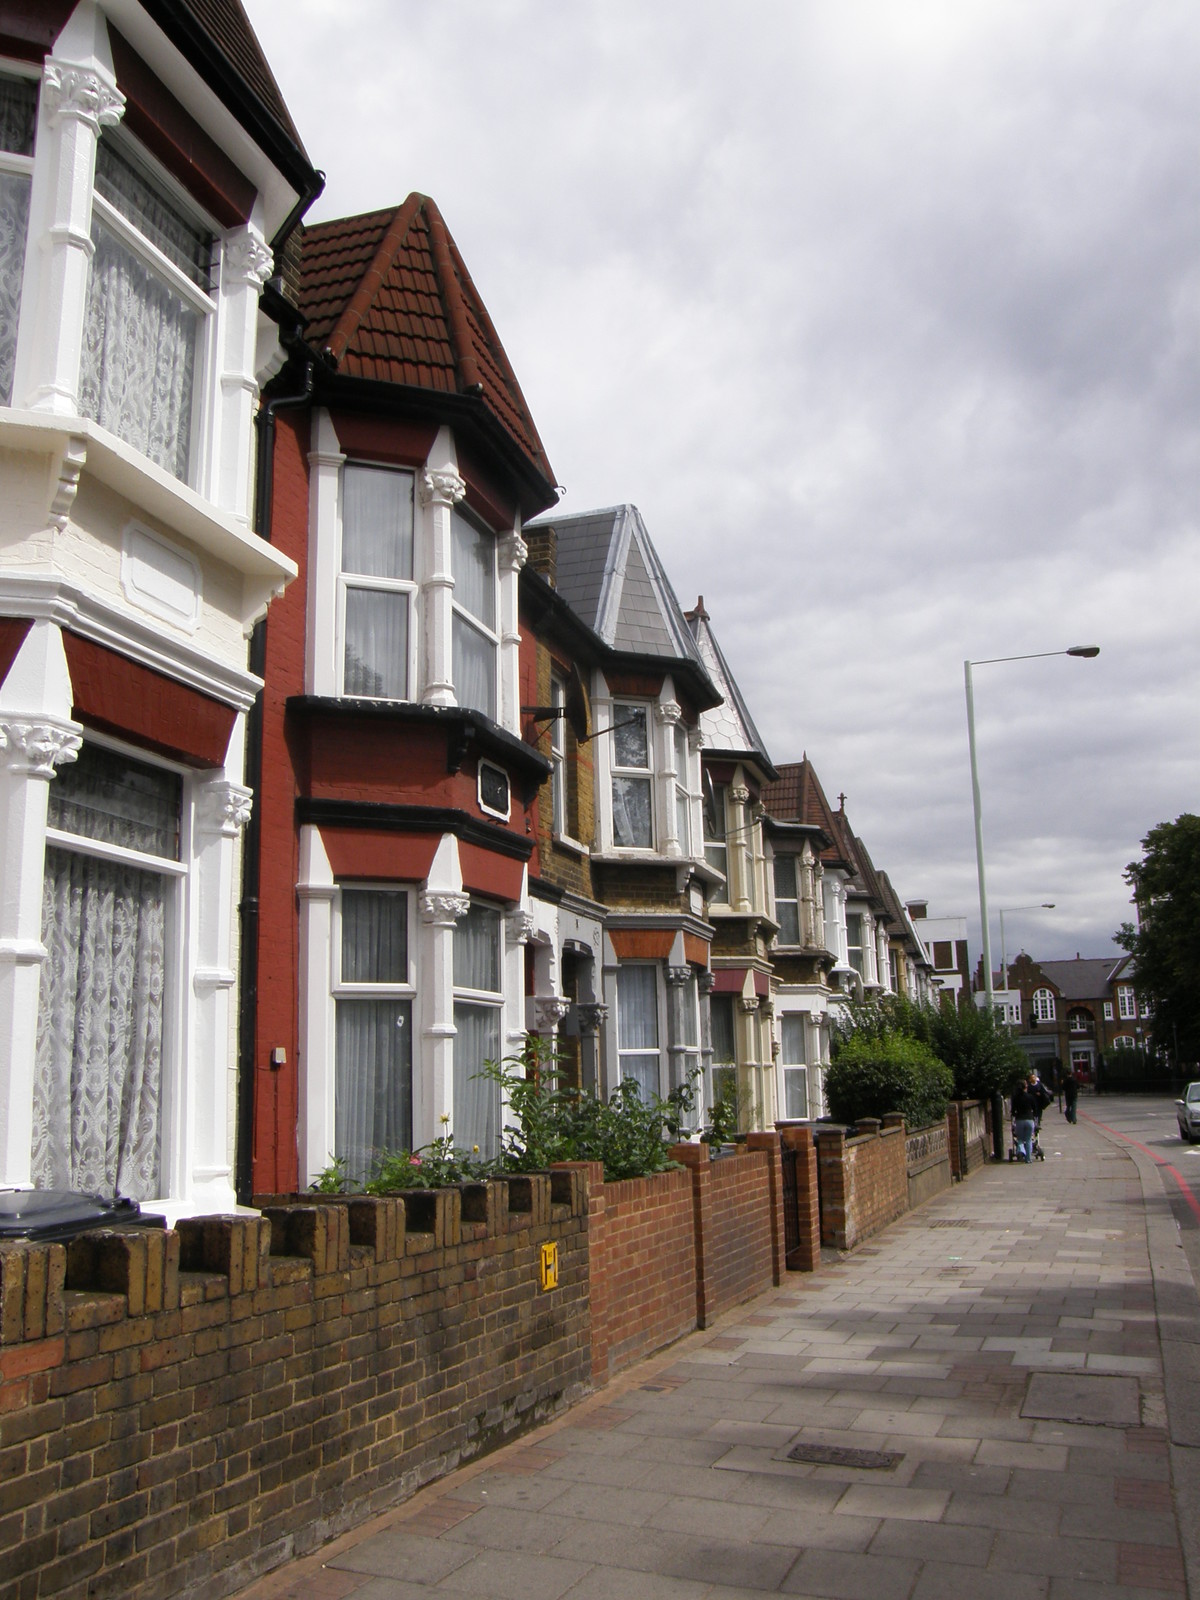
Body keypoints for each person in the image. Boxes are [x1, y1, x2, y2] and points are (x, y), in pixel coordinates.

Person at [1011, 1077, 1038, 1163]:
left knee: (1020, 1139)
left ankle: (1021, 1151)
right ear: (1026, 1087)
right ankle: (1028, 1159)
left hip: (1019, 1120)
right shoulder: (1030, 1097)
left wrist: (1014, 1114)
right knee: (1029, 1139)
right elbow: (1035, 1108)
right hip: (1029, 1119)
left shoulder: (1015, 1098)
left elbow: (1013, 1110)